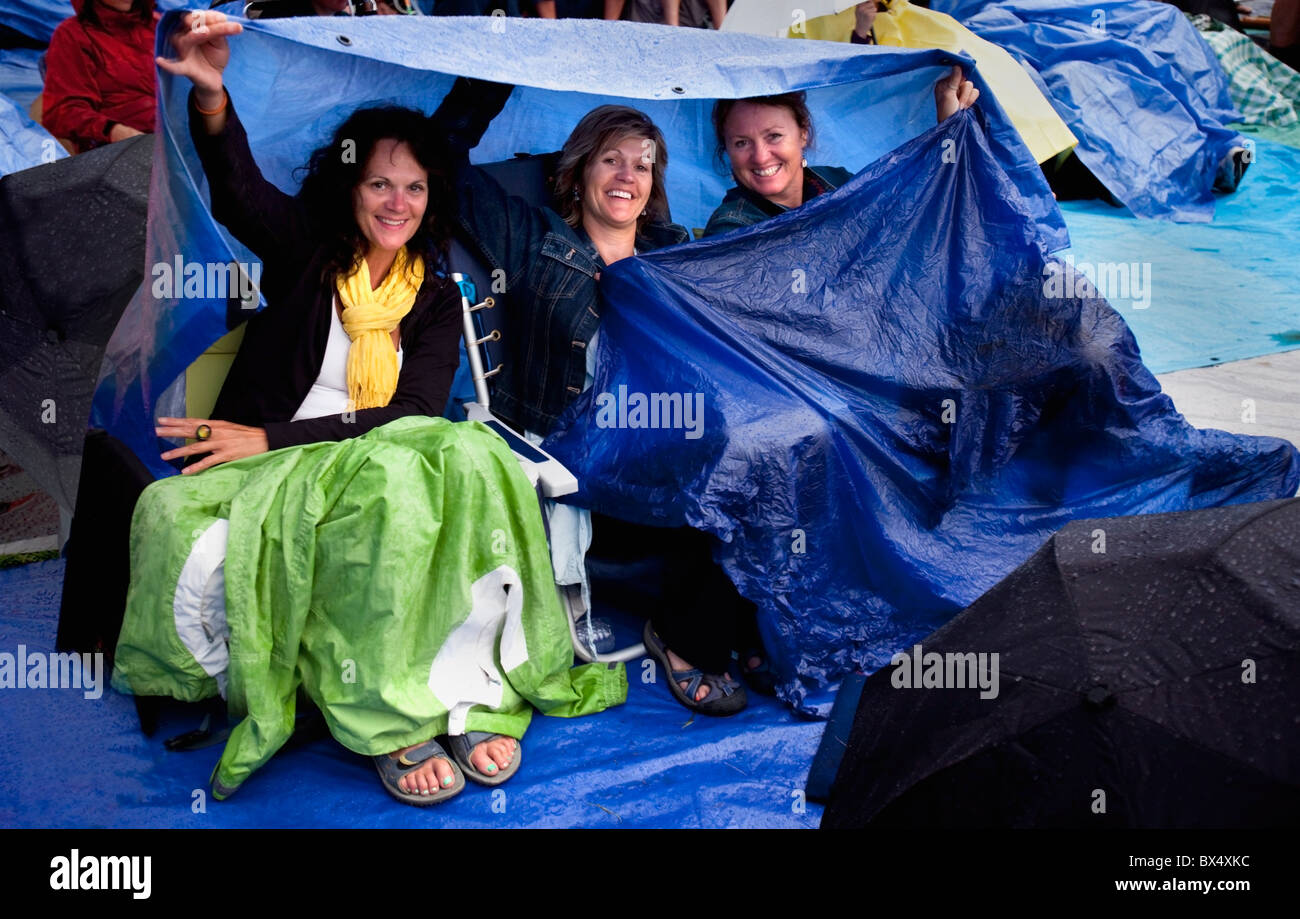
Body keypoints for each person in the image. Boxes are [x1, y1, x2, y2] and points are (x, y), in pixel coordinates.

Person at [131, 10, 534, 804]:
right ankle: (367, 703)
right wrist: (212, 96)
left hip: (353, 454)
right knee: (163, 517)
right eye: (379, 181)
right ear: (350, 188)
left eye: (414, 187)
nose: (397, 201)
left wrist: (267, 439)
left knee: (437, 478)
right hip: (272, 450)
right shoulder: (307, 248)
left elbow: (415, 414)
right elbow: (239, 189)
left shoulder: (431, 297)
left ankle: (442, 696)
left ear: (432, 197)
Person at [430, 78, 763, 715]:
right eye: (611, 158)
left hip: (672, 435)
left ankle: (747, 615)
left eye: (643, 164)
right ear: (579, 171)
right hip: (581, 452)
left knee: (765, 437)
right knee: (719, 458)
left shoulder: (676, 252)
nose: (626, 175)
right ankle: (688, 636)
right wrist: (487, 64)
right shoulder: (534, 242)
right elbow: (442, 161)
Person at [704, 66, 978, 236]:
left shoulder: (836, 181)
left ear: (803, 133)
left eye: (774, 136)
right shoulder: (731, 229)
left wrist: (948, 126)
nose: (761, 156)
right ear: (726, 150)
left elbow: (912, 215)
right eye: (741, 142)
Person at [42, 0, 157, 152]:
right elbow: (63, 112)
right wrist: (113, 131)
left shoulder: (158, 26)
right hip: (119, 152)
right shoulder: (72, 35)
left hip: (174, 142)